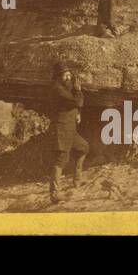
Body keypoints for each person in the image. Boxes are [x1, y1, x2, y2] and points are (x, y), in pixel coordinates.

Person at [48, 63, 89, 204]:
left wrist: (78, 113)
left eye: (69, 74)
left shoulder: (64, 87)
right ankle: (55, 193)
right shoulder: (57, 89)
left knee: (83, 147)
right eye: (65, 75)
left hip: (70, 128)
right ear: (58, 77)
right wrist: (78, 90)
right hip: (61, 128)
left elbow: (75, 106)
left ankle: (77, 180)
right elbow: (76, 101)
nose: (68, 77)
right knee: (61, 159)